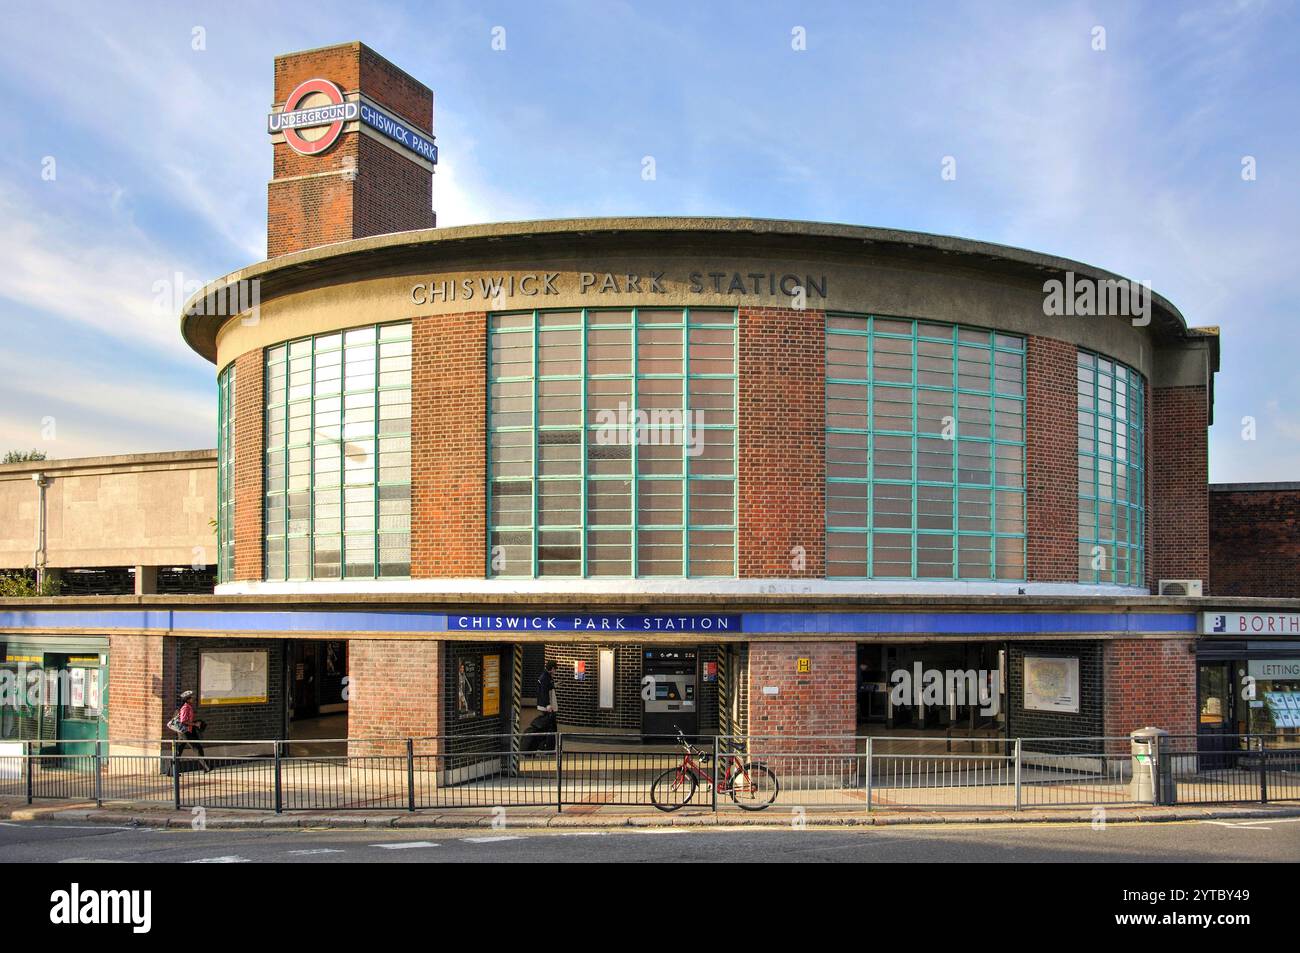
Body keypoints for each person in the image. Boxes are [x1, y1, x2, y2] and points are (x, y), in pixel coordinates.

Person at [170, 690, 211, 774]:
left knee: (178, 751)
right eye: (191, 697)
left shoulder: (187, 706)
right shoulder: (185, 707)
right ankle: (207, 767)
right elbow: (183, 721)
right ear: (187, 699)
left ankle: (171, 771)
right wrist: (195, 724)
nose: (193, 698)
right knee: (196, 748)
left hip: (184, 732)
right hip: (186, 732)